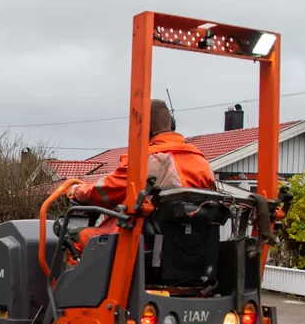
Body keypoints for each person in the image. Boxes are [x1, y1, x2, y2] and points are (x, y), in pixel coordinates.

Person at [65, 99, 215, 259]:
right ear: (172, 125)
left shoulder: (147, 160)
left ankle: (81, 284)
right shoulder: (202, 163)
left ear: (144, 128)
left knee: (70, 238)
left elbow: (105, 192)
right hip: (191, 251)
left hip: (141, 245)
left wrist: (76, 191)